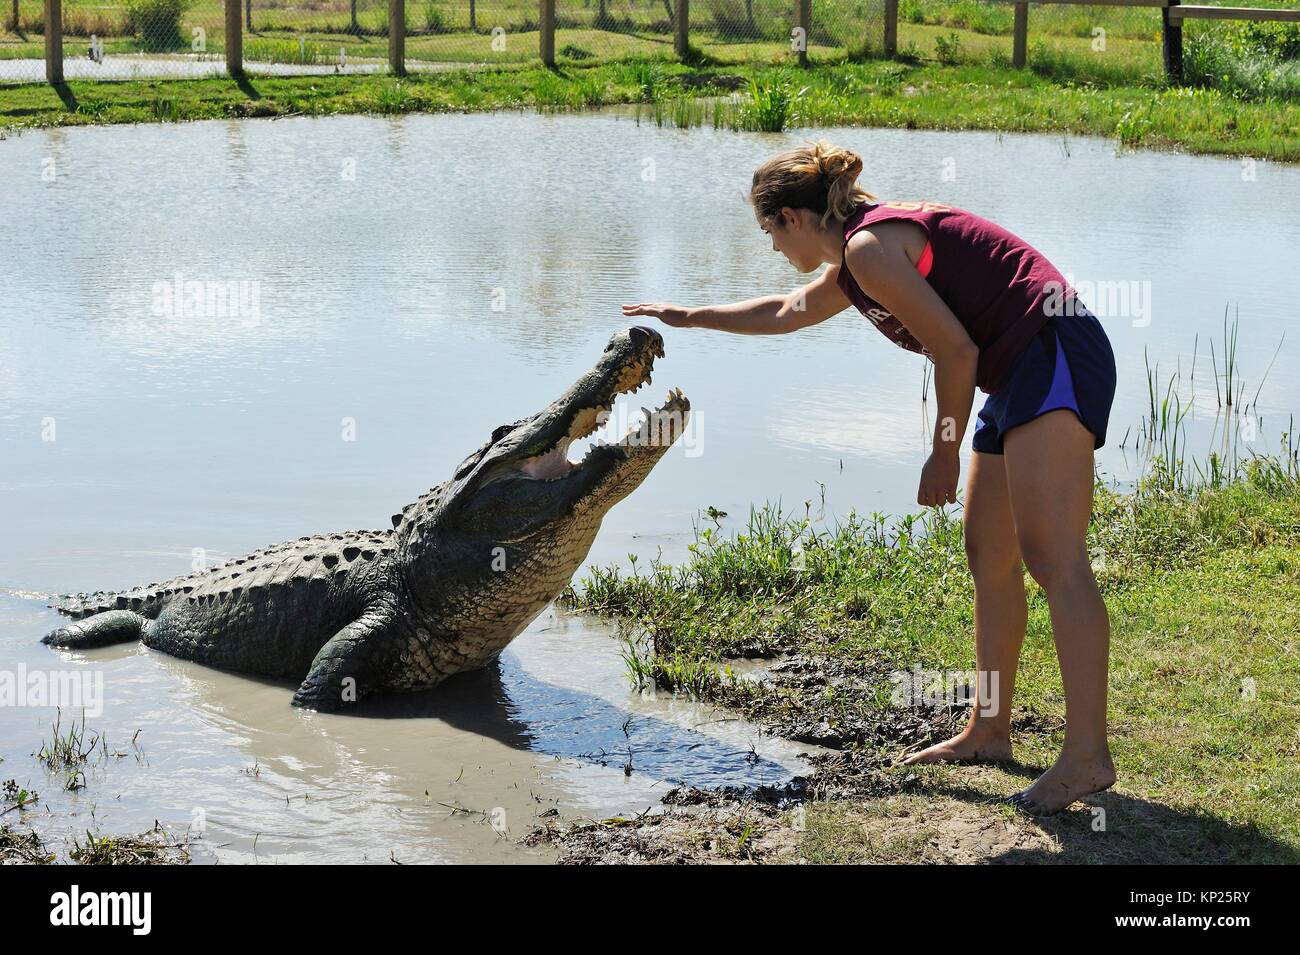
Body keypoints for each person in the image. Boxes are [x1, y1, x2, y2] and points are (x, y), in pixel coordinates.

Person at [622, 139, 1118, 814]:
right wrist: (689, 315)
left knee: (1053, 558)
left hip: (1052, 349)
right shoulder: (857, 260)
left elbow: (956, 348)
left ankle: (1087, 755)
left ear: (795, 218)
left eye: (770, 230)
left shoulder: (867, 249)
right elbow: (786, 310)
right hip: (1015, 368)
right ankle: (990, 728)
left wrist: (944, 449)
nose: (772, 246)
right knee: (990, 555)